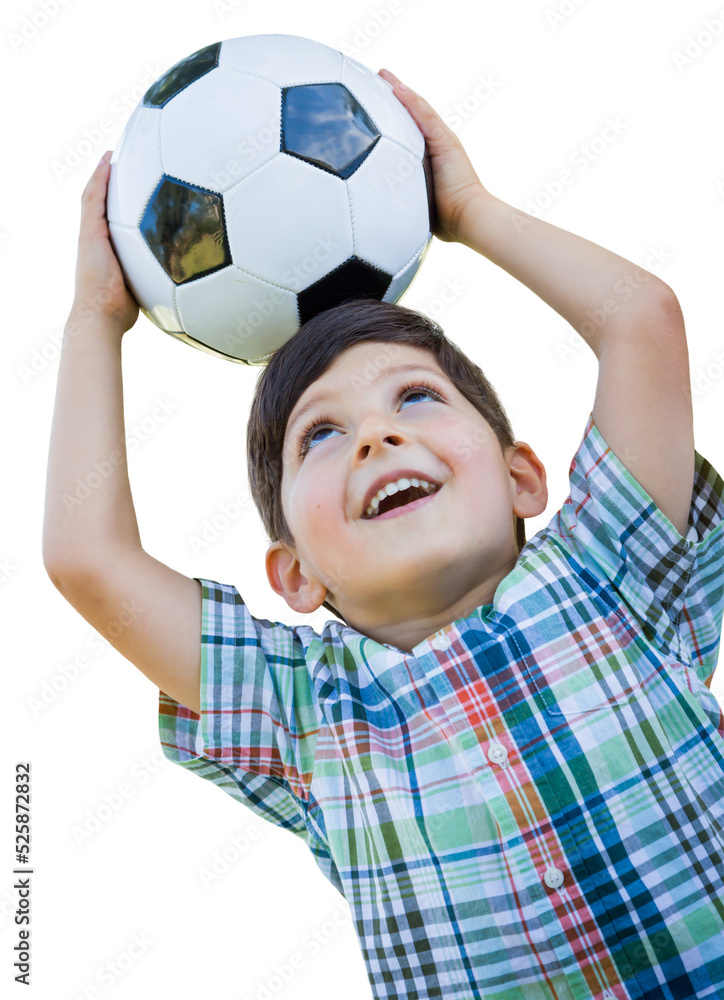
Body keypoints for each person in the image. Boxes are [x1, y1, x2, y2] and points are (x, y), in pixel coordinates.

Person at [43, 66, 724, 1000]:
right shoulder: (305, 714)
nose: (377, 433)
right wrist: (94, 319)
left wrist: (471, 210)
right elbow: (88, 558)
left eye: (417, 397)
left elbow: (641, 322)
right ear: (295, 573)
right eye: (322, 434)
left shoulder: (611, 568)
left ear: (524, 477)